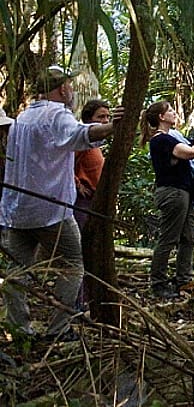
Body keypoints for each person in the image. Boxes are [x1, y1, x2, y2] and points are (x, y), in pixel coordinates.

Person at [0, 65, 124, 341]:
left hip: (18, 209)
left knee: (16, 271)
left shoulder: (23, 117)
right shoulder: (56, 114)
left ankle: (20, 330)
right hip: (49, 210)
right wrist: (112, 127)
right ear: (63, 88)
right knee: (72, 264)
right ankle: (59, 328)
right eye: (68, 85)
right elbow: (82, 135)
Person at [145, 101, 194, 300]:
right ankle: (158, 283)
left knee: (190, 236)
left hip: (183, 192)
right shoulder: (160, 140)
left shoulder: (171, 138)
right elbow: (193, 152)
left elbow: (190, 144)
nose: (174, 113)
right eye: (170, 111)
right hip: (173, 193)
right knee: (168, 238)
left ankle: (184, 279)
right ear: (161, 117)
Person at [73, 99, 110, 309]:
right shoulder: (84, 136)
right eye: (100, 117)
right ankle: (79, 301)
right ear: (89, 119)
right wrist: (76, 182)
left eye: (106, 117)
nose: (104, 120)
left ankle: (89, 297)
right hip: (83, 201)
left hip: (95, 200)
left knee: (93, 250)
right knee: (80, 250)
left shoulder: (97, 142)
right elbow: (67, 160)